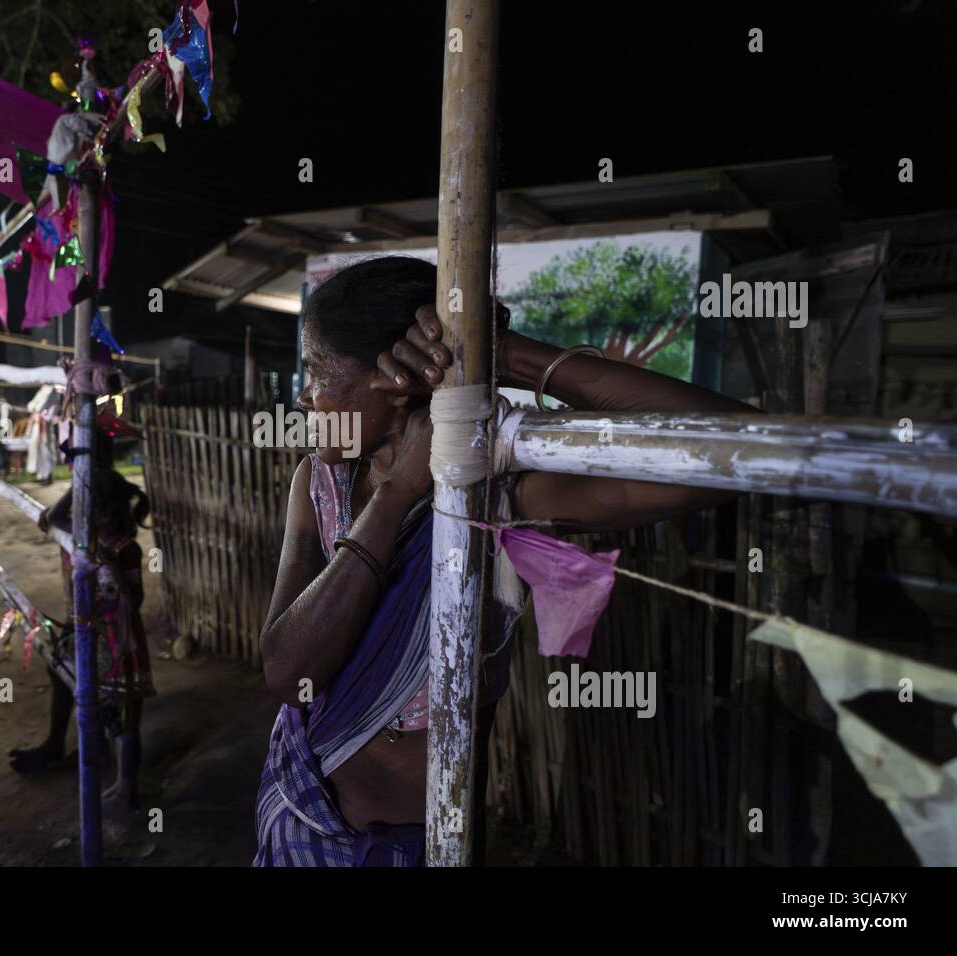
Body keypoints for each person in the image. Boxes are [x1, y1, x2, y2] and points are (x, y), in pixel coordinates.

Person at [254, 256, 754, 866]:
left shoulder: (493, 497)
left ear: (393, 377)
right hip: (302, 815)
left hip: (427, 847)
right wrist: (398, 493)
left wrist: (506, 354)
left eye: (317, 372)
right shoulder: (319, 486)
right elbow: (286, 671)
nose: (304, 397)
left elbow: (738, 448)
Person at [9, 466, 154, 814]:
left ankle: (127, 786)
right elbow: (51, 516)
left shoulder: (124, 548)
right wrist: (80, 483)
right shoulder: (75, 538)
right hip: (85, 636)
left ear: (104, 511)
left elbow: (135, 601)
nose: (76, 513)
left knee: (122, 718)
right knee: (66, 677)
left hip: (119, 646)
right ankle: (63, 745)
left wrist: (109, 572)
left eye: (84, 506)